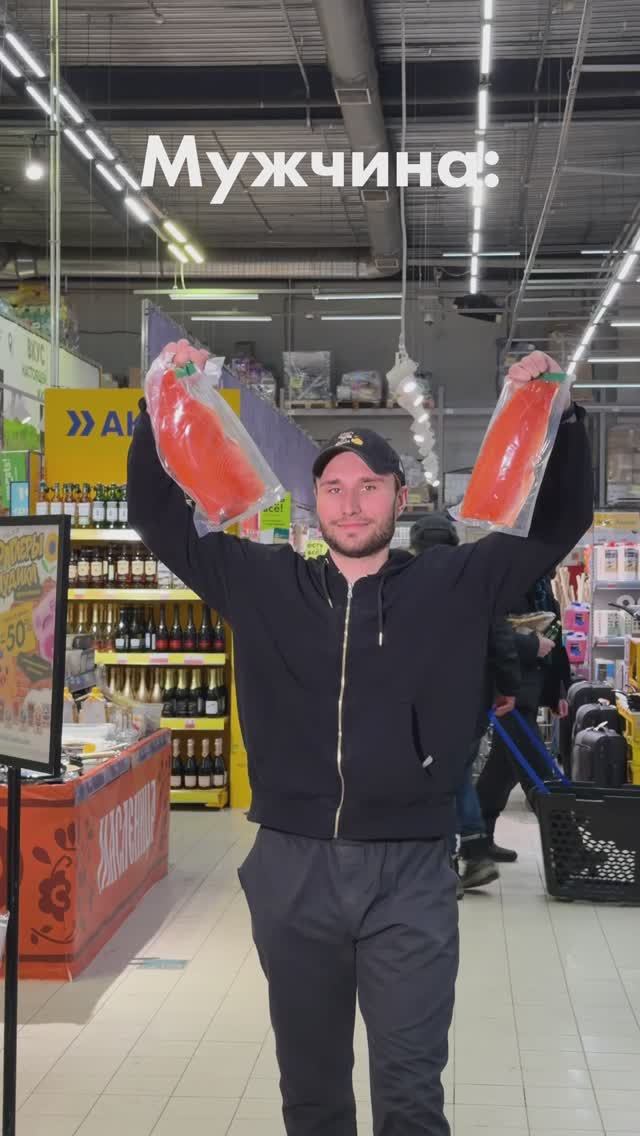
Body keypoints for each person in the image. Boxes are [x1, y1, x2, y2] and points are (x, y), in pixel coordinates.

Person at [128, 344, 592, 1136]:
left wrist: (563, 409)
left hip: (410, 872)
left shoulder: (452, 584)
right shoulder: (263, 583)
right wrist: (158, 402)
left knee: (410, 1096)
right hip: (292, 866)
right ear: (314, 503)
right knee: (312, 1094)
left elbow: (557, 522)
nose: (351, 504)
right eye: (335, 488)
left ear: (398, 498)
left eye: (369, 487)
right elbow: (157, 516)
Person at [409, 513, 522, 894]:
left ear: (416, 546)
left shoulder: (404, 582)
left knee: (437, 779)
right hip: (471, 698)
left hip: (421, 701)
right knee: (458, 774)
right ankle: (473, 853)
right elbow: (500, 637)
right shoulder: (478, 583)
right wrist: (508, 687)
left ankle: (448, 862)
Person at [476, 573, 571, 862]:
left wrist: (557, 690)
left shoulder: (541, 582)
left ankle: (476, 841)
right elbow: (484, 633)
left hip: (529, 689)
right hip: (507, 693)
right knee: (539, 772)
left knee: (501, 771)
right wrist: (530, 645)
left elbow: (555, 634)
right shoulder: (503, 580)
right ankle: (569, 851)